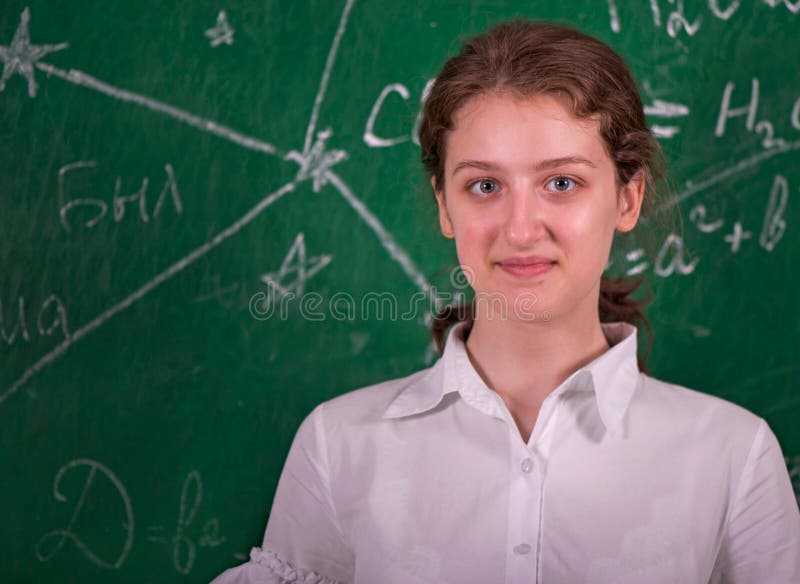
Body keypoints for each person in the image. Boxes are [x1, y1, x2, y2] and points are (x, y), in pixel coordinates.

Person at [213, 20, 800, 583]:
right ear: (445, 205)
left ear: (627, 198)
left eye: (562, 183)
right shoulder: (337, 445)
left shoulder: (733, 456)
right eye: (485, 186)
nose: (520, 229)